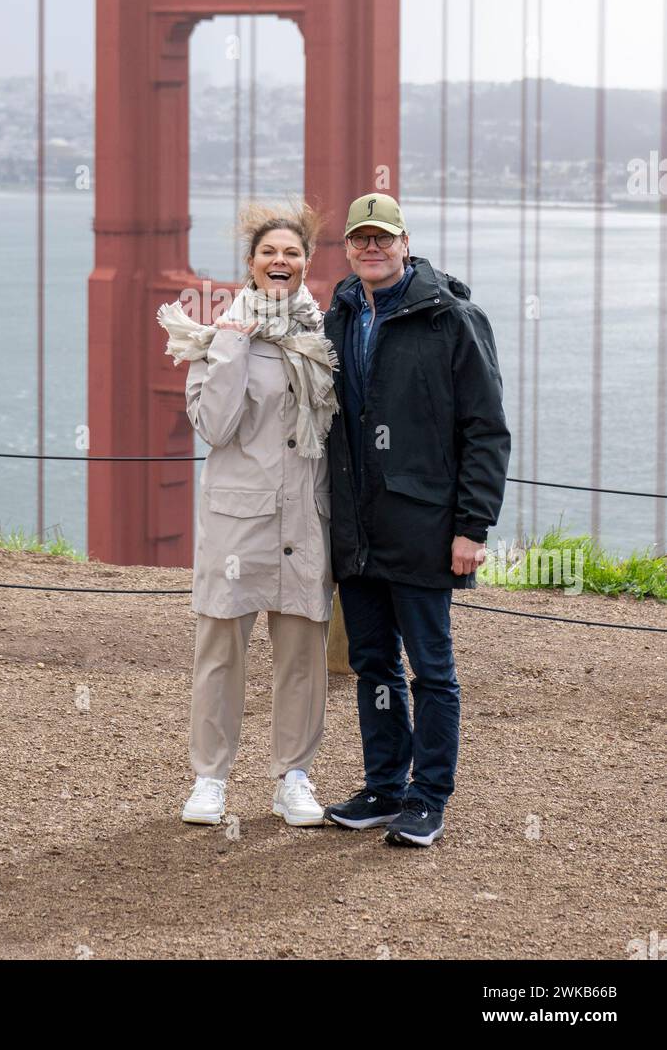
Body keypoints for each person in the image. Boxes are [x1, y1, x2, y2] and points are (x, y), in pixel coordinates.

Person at [322, 192, 511, 847]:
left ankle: (427, 797)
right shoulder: (341, 313)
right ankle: (383, 787)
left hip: (425, 524)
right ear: (349, 247)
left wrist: (473, 526)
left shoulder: (452, 319)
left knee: (431, 668)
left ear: (404, 243)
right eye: (360, 240)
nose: (371, 249)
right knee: (372, 663)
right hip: (359, 528)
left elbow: (486, 429)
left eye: (383, 238)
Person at [157, 203, 339, 827]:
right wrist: (233, 341)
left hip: (305, 520)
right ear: (252, 265)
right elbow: (213, 425)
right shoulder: (215, 338)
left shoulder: (324, 338)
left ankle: (293, 776)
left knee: (301, 657)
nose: (280, 262)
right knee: (220, 653)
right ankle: (210, 778)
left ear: (307, 264)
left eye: (292, 253)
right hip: (239, 521)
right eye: (269, 253)